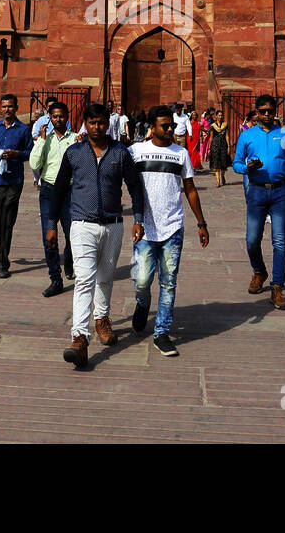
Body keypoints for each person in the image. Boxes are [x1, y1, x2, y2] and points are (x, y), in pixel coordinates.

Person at [53, 101, 146, 369]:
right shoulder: (74, 153)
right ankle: (79, 338)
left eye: (101, 122)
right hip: (82, 224)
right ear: (85, 124)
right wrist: (50, 223)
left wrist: (138, 219)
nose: (97, 127)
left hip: (114, 224)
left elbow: (135, 188)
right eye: (92, 122)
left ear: (109, 123)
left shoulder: (120, 152)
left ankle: (102, 319)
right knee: (84, 279)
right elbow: (59, 189)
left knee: (105, 277)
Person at [129, 105, 210, 357]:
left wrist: (201, 223)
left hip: (173, 226)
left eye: (172, 125)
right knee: (142, 280)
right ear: (152, 128)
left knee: (168, 282)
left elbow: (190, 189)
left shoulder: (181, 154)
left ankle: (162, 332)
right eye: (166, 125)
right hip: (145, 228)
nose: (171, 129)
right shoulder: (136, 152)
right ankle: (143, 304)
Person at [232, 94, 285, 310]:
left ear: (274, 111)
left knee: (280, 242)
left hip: (280, 191)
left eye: (270, 111)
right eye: (263, 111)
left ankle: (277, 287)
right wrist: (246, 168)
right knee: (252, 239)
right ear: (257, 112)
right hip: (257, 191)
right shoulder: (247, 135)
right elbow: (237, 163)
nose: (267, 115)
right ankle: (259, 270)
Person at [0, 94, 33, 279]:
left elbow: (30, 152)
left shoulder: (23, 130)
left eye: (10, 106)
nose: (7, 109)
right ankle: (2, 246)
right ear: (0, 108)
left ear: (16, 107)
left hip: (14, 181)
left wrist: (16, 154)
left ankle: (3, 261)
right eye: (4, 106)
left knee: (8, 222)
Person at [29, 101, 79, 297]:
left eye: (62, 116)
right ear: (50, 118)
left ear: (67, 117)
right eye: (55, 117)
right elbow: (34, 163)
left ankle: (69, 260)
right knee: (48, 236)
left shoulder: (75, 139)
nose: (58, 120)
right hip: (49, 191)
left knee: (71, 234)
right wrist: (41, 140)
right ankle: (55, 278)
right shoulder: (45, 139)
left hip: (69, 191)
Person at [208, 109, 231, 188]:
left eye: (221, 115)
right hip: (215, 145)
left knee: (223, 161)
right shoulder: (213, 126)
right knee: (216, 162)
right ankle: (218, 181)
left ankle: (223, 175)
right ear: (216, 116)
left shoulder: (225, 125)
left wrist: (229, 146)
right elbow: (211, 137)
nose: (220, 117)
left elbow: (227, 136)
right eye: (219, 115)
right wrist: (209, 148)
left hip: (223, 145)